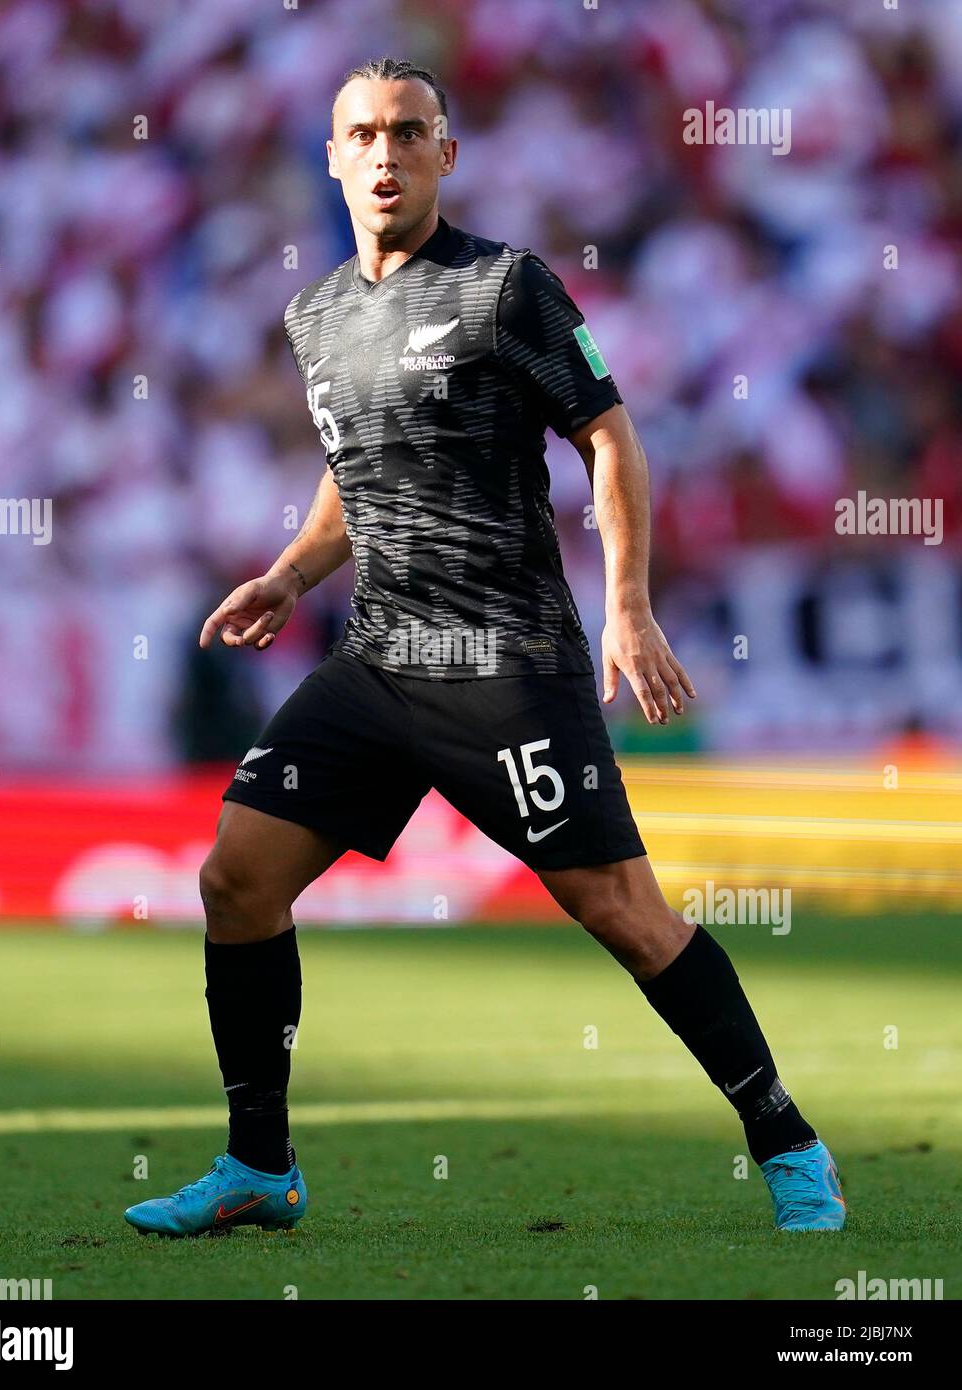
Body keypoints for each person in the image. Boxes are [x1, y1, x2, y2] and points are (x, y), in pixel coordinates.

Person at [124, 58, 844, 1238]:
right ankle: (260, 1164)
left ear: (444, 154)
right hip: (378, 659)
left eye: (409, 131)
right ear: (333, 157)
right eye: (362, 132)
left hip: (506, 661)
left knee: (619, 909)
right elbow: (354, 475)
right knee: (235, 876)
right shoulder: (315, 317)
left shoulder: (504, 288)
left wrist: (628, 607)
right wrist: (289, 573)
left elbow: (608, 440)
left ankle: (786, 1139)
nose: (386, 152)